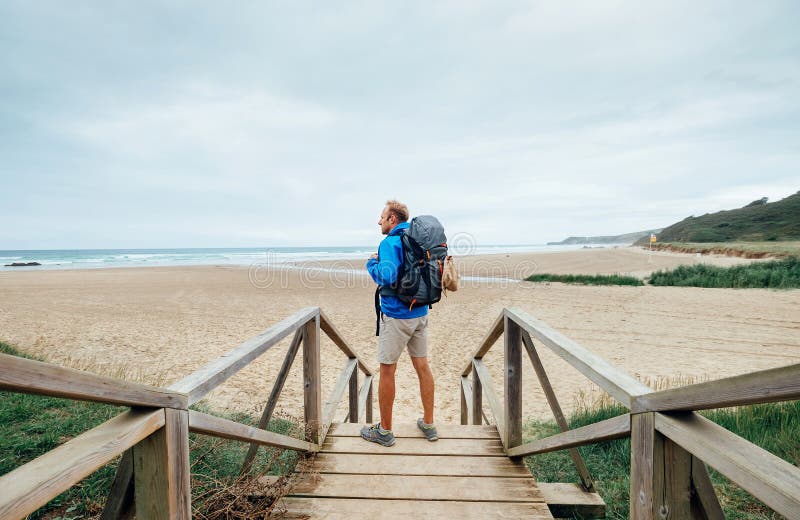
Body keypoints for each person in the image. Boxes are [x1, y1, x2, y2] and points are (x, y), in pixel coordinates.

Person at [361, 200, 438, 446]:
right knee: (423, 367)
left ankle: (384, 431)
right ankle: (428, 424)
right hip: (421, 312)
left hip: (397, 315)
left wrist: (371, 263)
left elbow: (387, 275)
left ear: (393, 219)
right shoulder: (418, 239)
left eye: (382, 217)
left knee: (387, 370)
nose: (379, 221)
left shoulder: (390, 242)